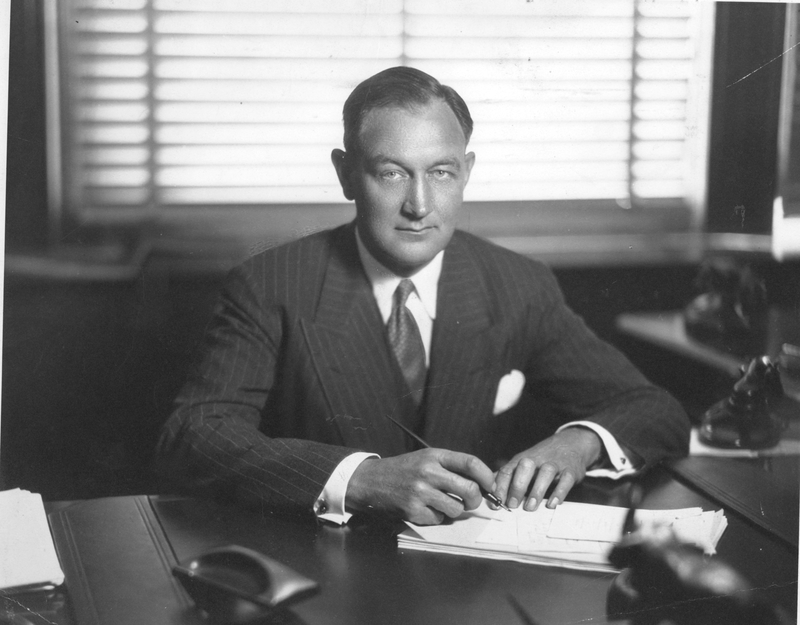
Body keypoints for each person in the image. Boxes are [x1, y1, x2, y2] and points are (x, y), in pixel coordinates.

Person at [156, 67, 690, 526]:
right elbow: (192, 436)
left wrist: (579, 442)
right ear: (346, 175)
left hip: (469, 579)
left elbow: (653, 409)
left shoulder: (517, 283)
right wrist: (359, 479)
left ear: (466, 173)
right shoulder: (272, 283)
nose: (419, 205)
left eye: (440, 172)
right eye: (391, 173)